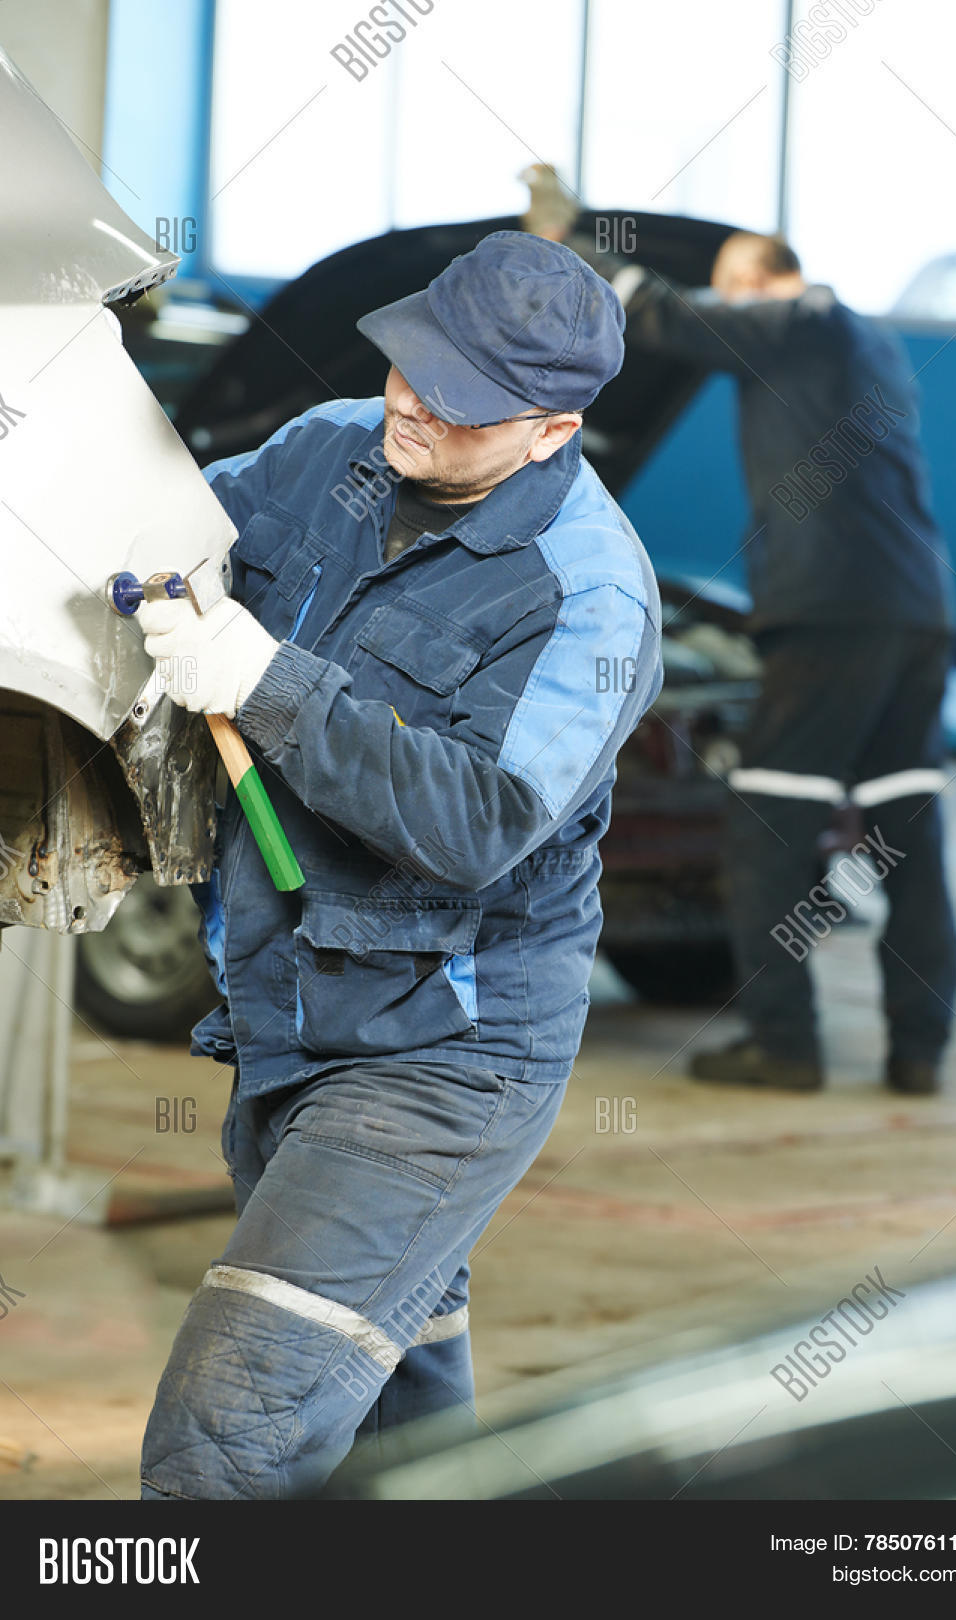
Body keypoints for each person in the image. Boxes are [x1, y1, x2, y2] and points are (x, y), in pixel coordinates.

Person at [134, 230, 663, 1498]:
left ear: (550, 430)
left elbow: (481, 819)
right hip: (289, 1012)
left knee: (231, 1430)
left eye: (460, 398)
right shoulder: (327, 448)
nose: (412, 403)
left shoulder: (589, 599)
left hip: (443, 1055)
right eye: (411, 363)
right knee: (397, 1426)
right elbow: (162, 533)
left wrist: (265, 680)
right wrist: (147, 577)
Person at [622, 230, 956, 1095]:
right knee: (905, 827)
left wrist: (574, 250)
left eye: (727, 292)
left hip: (829, 613)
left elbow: (660, 314)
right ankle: (918, 1051)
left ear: (750, 282)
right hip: (915, 612)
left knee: (765, 825)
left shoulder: (796, 319)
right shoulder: (868, 340)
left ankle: (783, 1045)